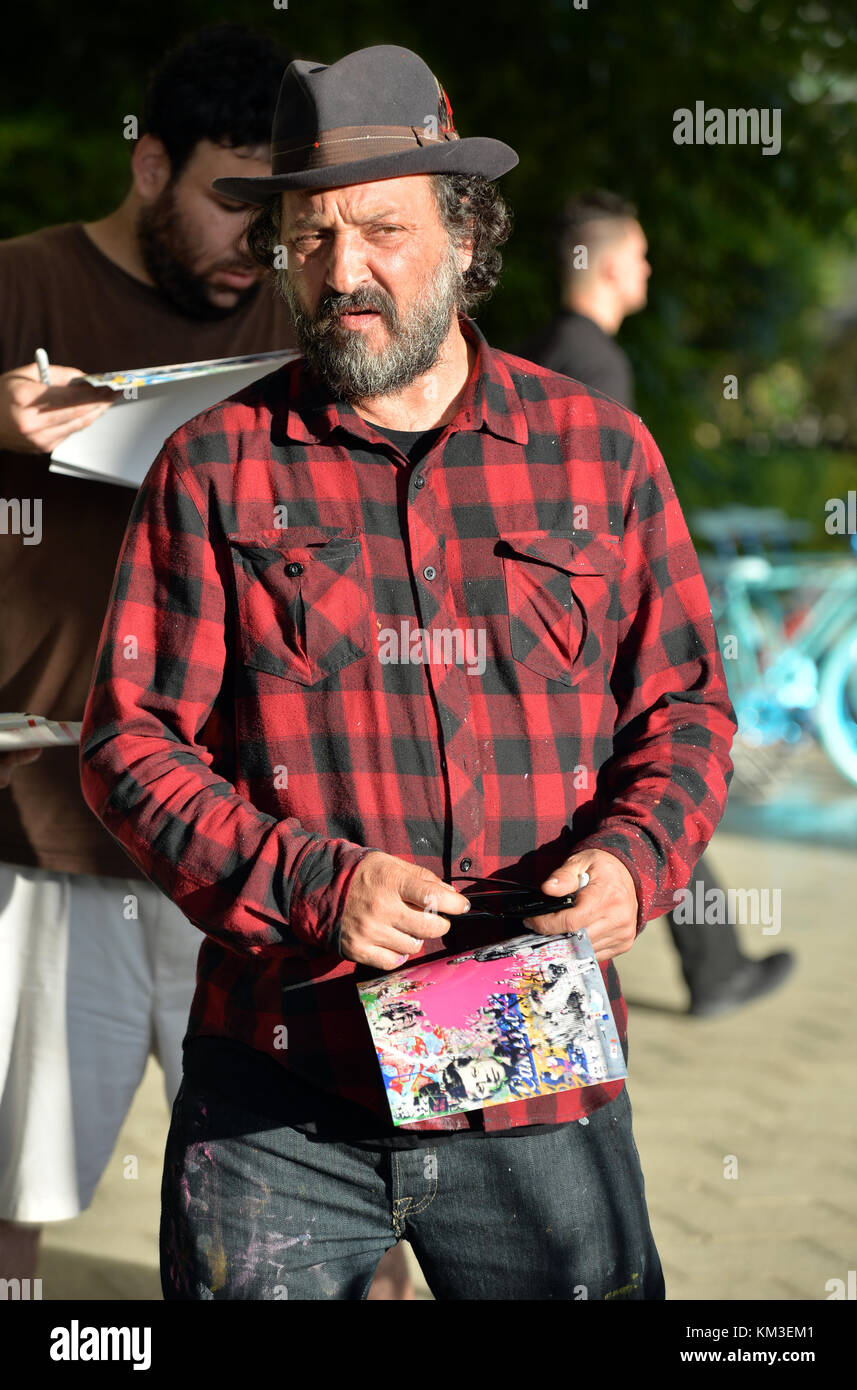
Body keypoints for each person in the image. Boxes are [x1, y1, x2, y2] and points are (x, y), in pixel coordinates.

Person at [80, 44, 737, 1301]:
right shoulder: (217, 466)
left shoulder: (598, 452)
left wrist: (637, 859)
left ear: (466, 234)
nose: (345, 271)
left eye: (382, 228)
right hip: (282, 1081)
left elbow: (686, 708)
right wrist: (309, 882)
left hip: (531, 1066)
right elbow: (128, 741)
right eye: (309, 237)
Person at [0, 23, 296, 1286]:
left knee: (298, 1180)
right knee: (20, 1184)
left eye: (276, 210)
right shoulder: (20, 285)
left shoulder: (293, 307)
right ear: (147, 168)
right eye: (231, 199)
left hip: (249, 835)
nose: (258, 241)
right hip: (46, 824)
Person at [519, 191, 794, 1018]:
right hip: (576, 627)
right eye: (638, 256)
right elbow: (595, 519)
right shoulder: (596, 362)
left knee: (620, 795)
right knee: (646, 781)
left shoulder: (537, 350)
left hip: (546, 625)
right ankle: (706, 970)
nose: (646, 270)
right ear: (607, 265)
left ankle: (714, 965)